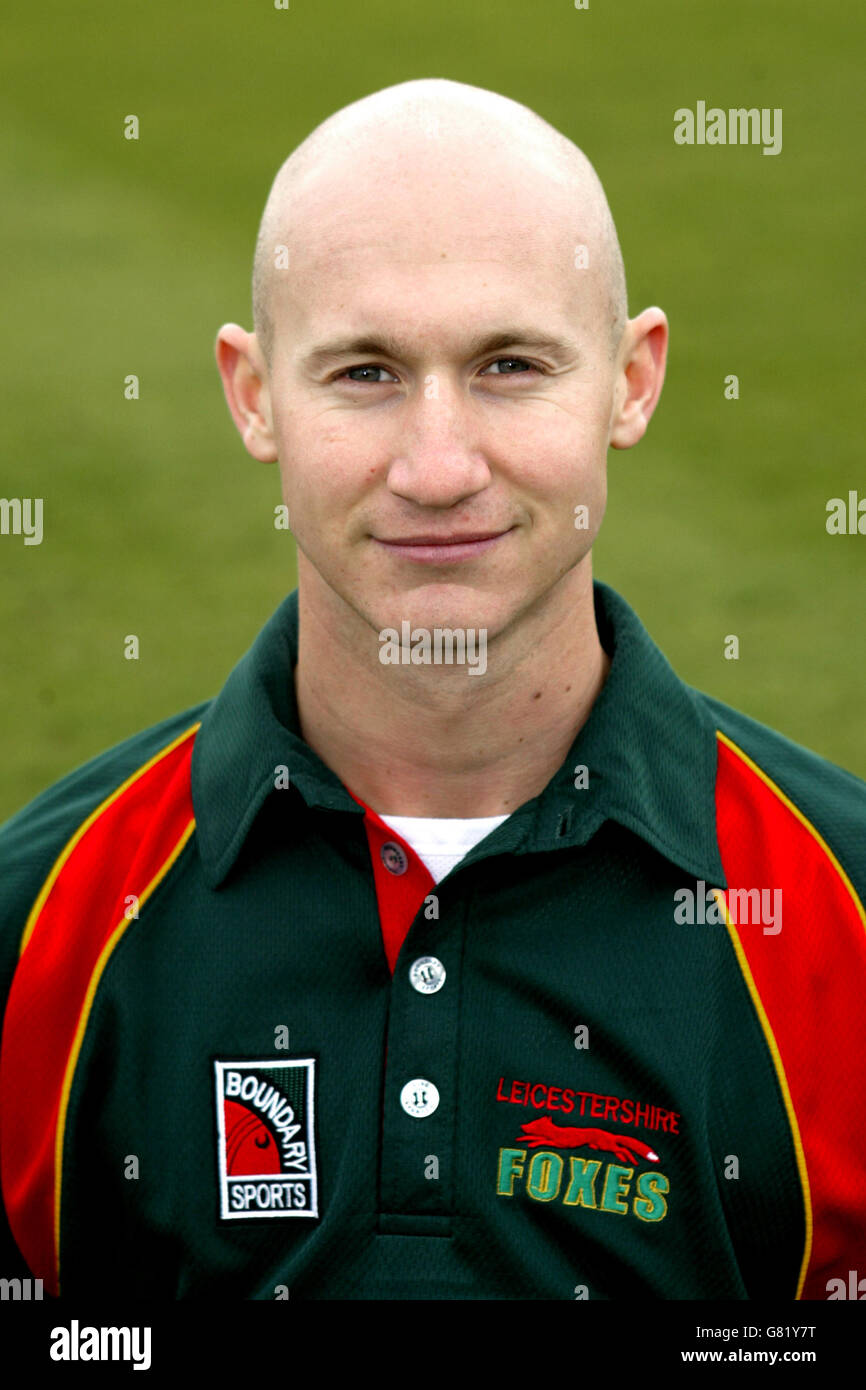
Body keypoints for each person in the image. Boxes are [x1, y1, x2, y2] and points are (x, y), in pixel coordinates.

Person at [1, 78, 864, 1302]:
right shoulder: (39, 929)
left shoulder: (843, 917)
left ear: (631, 380)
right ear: (255, 397)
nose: (438, 466)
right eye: (363, 373)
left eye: (509, 365)